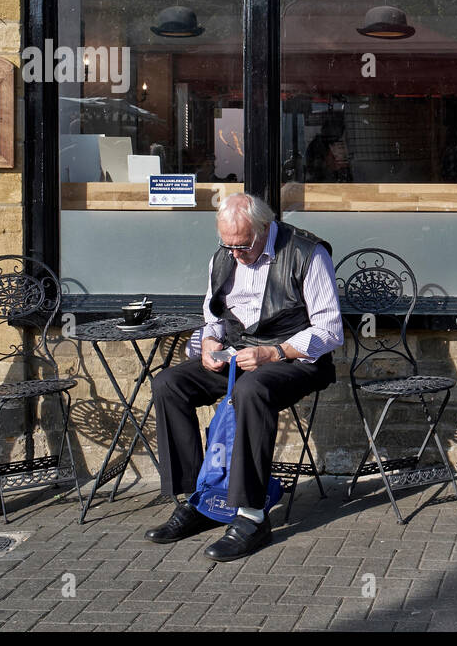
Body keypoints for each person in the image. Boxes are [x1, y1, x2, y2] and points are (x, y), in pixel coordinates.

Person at [144, 192, 343, 561]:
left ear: (264, 228)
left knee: (250, 390)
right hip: (238, 353)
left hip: (294, 360)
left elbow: (330, 330)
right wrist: (209, 342)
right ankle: (198, 500)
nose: (235, 253)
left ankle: (251, 515)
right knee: (169, 384)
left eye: (243, 245)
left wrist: (274, 352)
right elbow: (213, 317)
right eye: (228, 245)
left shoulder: (307, 253)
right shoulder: (223, 255)